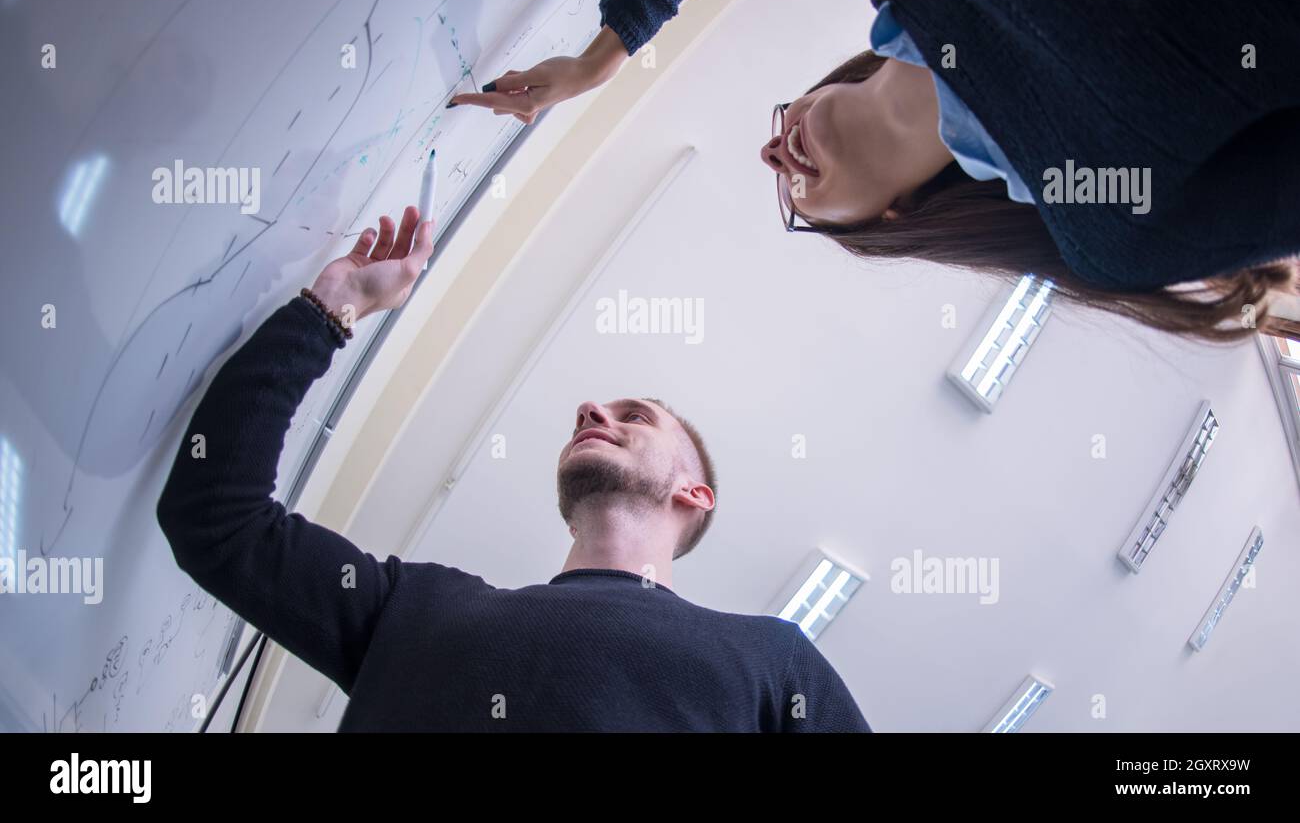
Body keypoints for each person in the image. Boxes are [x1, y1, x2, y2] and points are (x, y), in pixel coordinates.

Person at [156, 206, 870, 732]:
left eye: (637, 416)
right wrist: (329, 311)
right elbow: (216, 517)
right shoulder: (417, 608)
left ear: (694, 493)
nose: (593, 407)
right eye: (597, 408)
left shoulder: (770, 663)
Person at [449, 0, 1300, 342]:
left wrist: (597, 61)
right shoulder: (1108, 223)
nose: (769, 156)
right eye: (793, 202)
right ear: (888, 222)